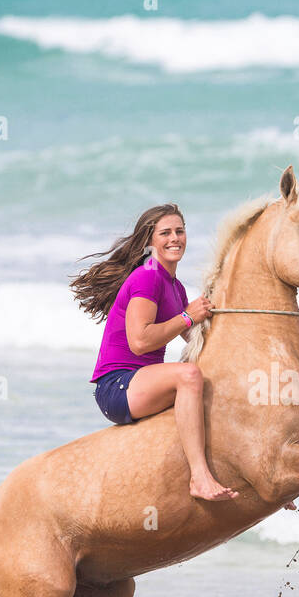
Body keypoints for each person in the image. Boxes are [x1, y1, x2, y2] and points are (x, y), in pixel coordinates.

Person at [71, 204, 239, 501]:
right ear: (150, 241)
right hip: (117, 385)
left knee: (213, 381)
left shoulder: (175, 287)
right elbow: (140, 341)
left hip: (142, 382)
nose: (175, 238)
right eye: (165, 233)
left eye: (179, 231)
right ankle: (199, 479)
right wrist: (187, 317)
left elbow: (197, 339)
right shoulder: (147, 276)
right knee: (189, 376)